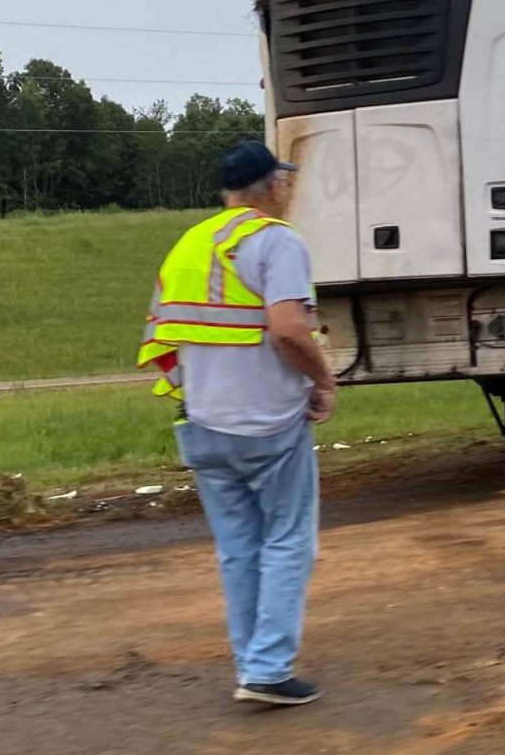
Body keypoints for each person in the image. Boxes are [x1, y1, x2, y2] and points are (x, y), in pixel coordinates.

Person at [137, 141, 336, 707]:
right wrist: (323, 382)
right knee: (287, 542)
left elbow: (166, 336)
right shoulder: (276, 241)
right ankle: (267, 669)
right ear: (272, 187)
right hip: (267, 424)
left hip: (202, 423)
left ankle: (254, 664)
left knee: (239, 549)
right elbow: (290, 329)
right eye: (285, 182)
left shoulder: (189, 245)